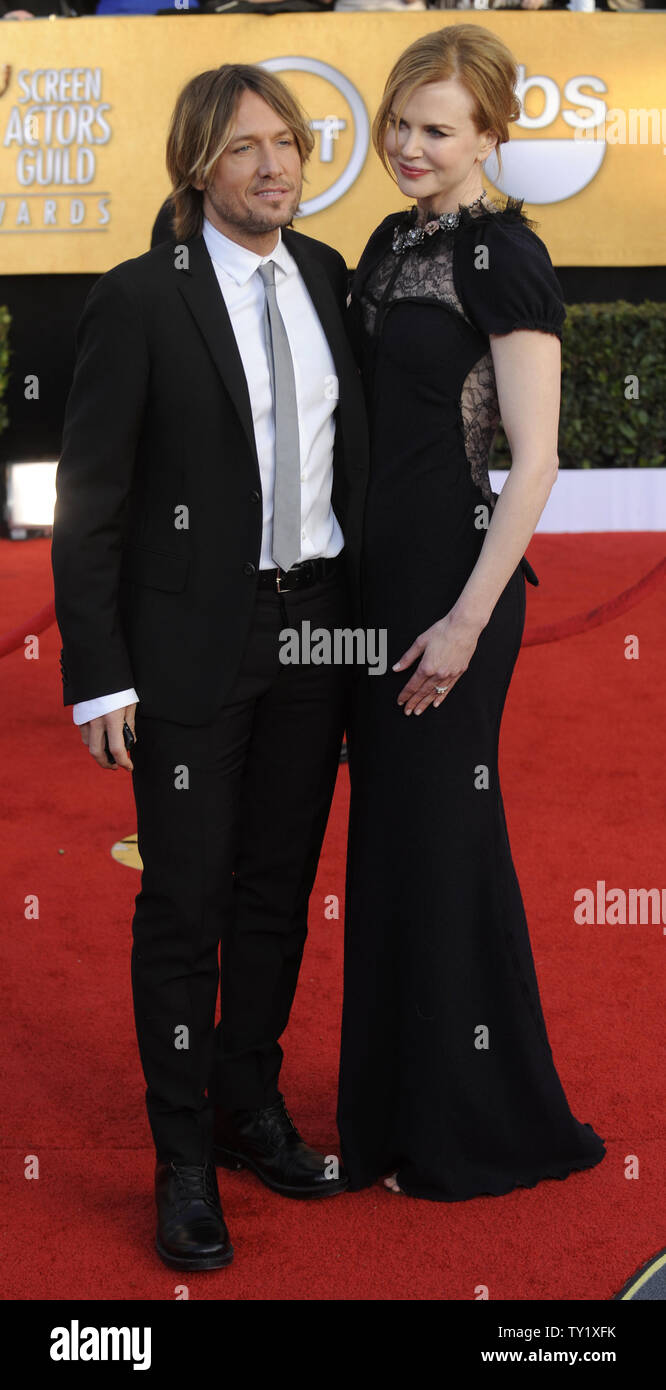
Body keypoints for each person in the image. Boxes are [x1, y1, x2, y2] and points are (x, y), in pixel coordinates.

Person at [51, 63, 369, 1269]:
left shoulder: (329, 277)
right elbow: (93, 498)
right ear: (198, 165)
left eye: (287, 143)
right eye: (246, 149)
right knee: (185, 904)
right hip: (192, 645)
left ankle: (250, 1112)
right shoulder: (142, 298)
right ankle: (181, 1160)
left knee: (278, 892)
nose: (275, 167)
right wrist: (99, 670)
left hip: (316, 628)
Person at [336, 24, 607, 1201]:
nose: (408, 145)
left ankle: (475, 1126)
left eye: (437, 128)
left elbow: (536, 462)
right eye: (399, 122)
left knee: (446, 841)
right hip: (369, 585)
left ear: (491, 134)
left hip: (453, 588)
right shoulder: (390, 242)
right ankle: (394, 1109)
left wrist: (461, 622)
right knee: (394, 843)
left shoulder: (503, 257)